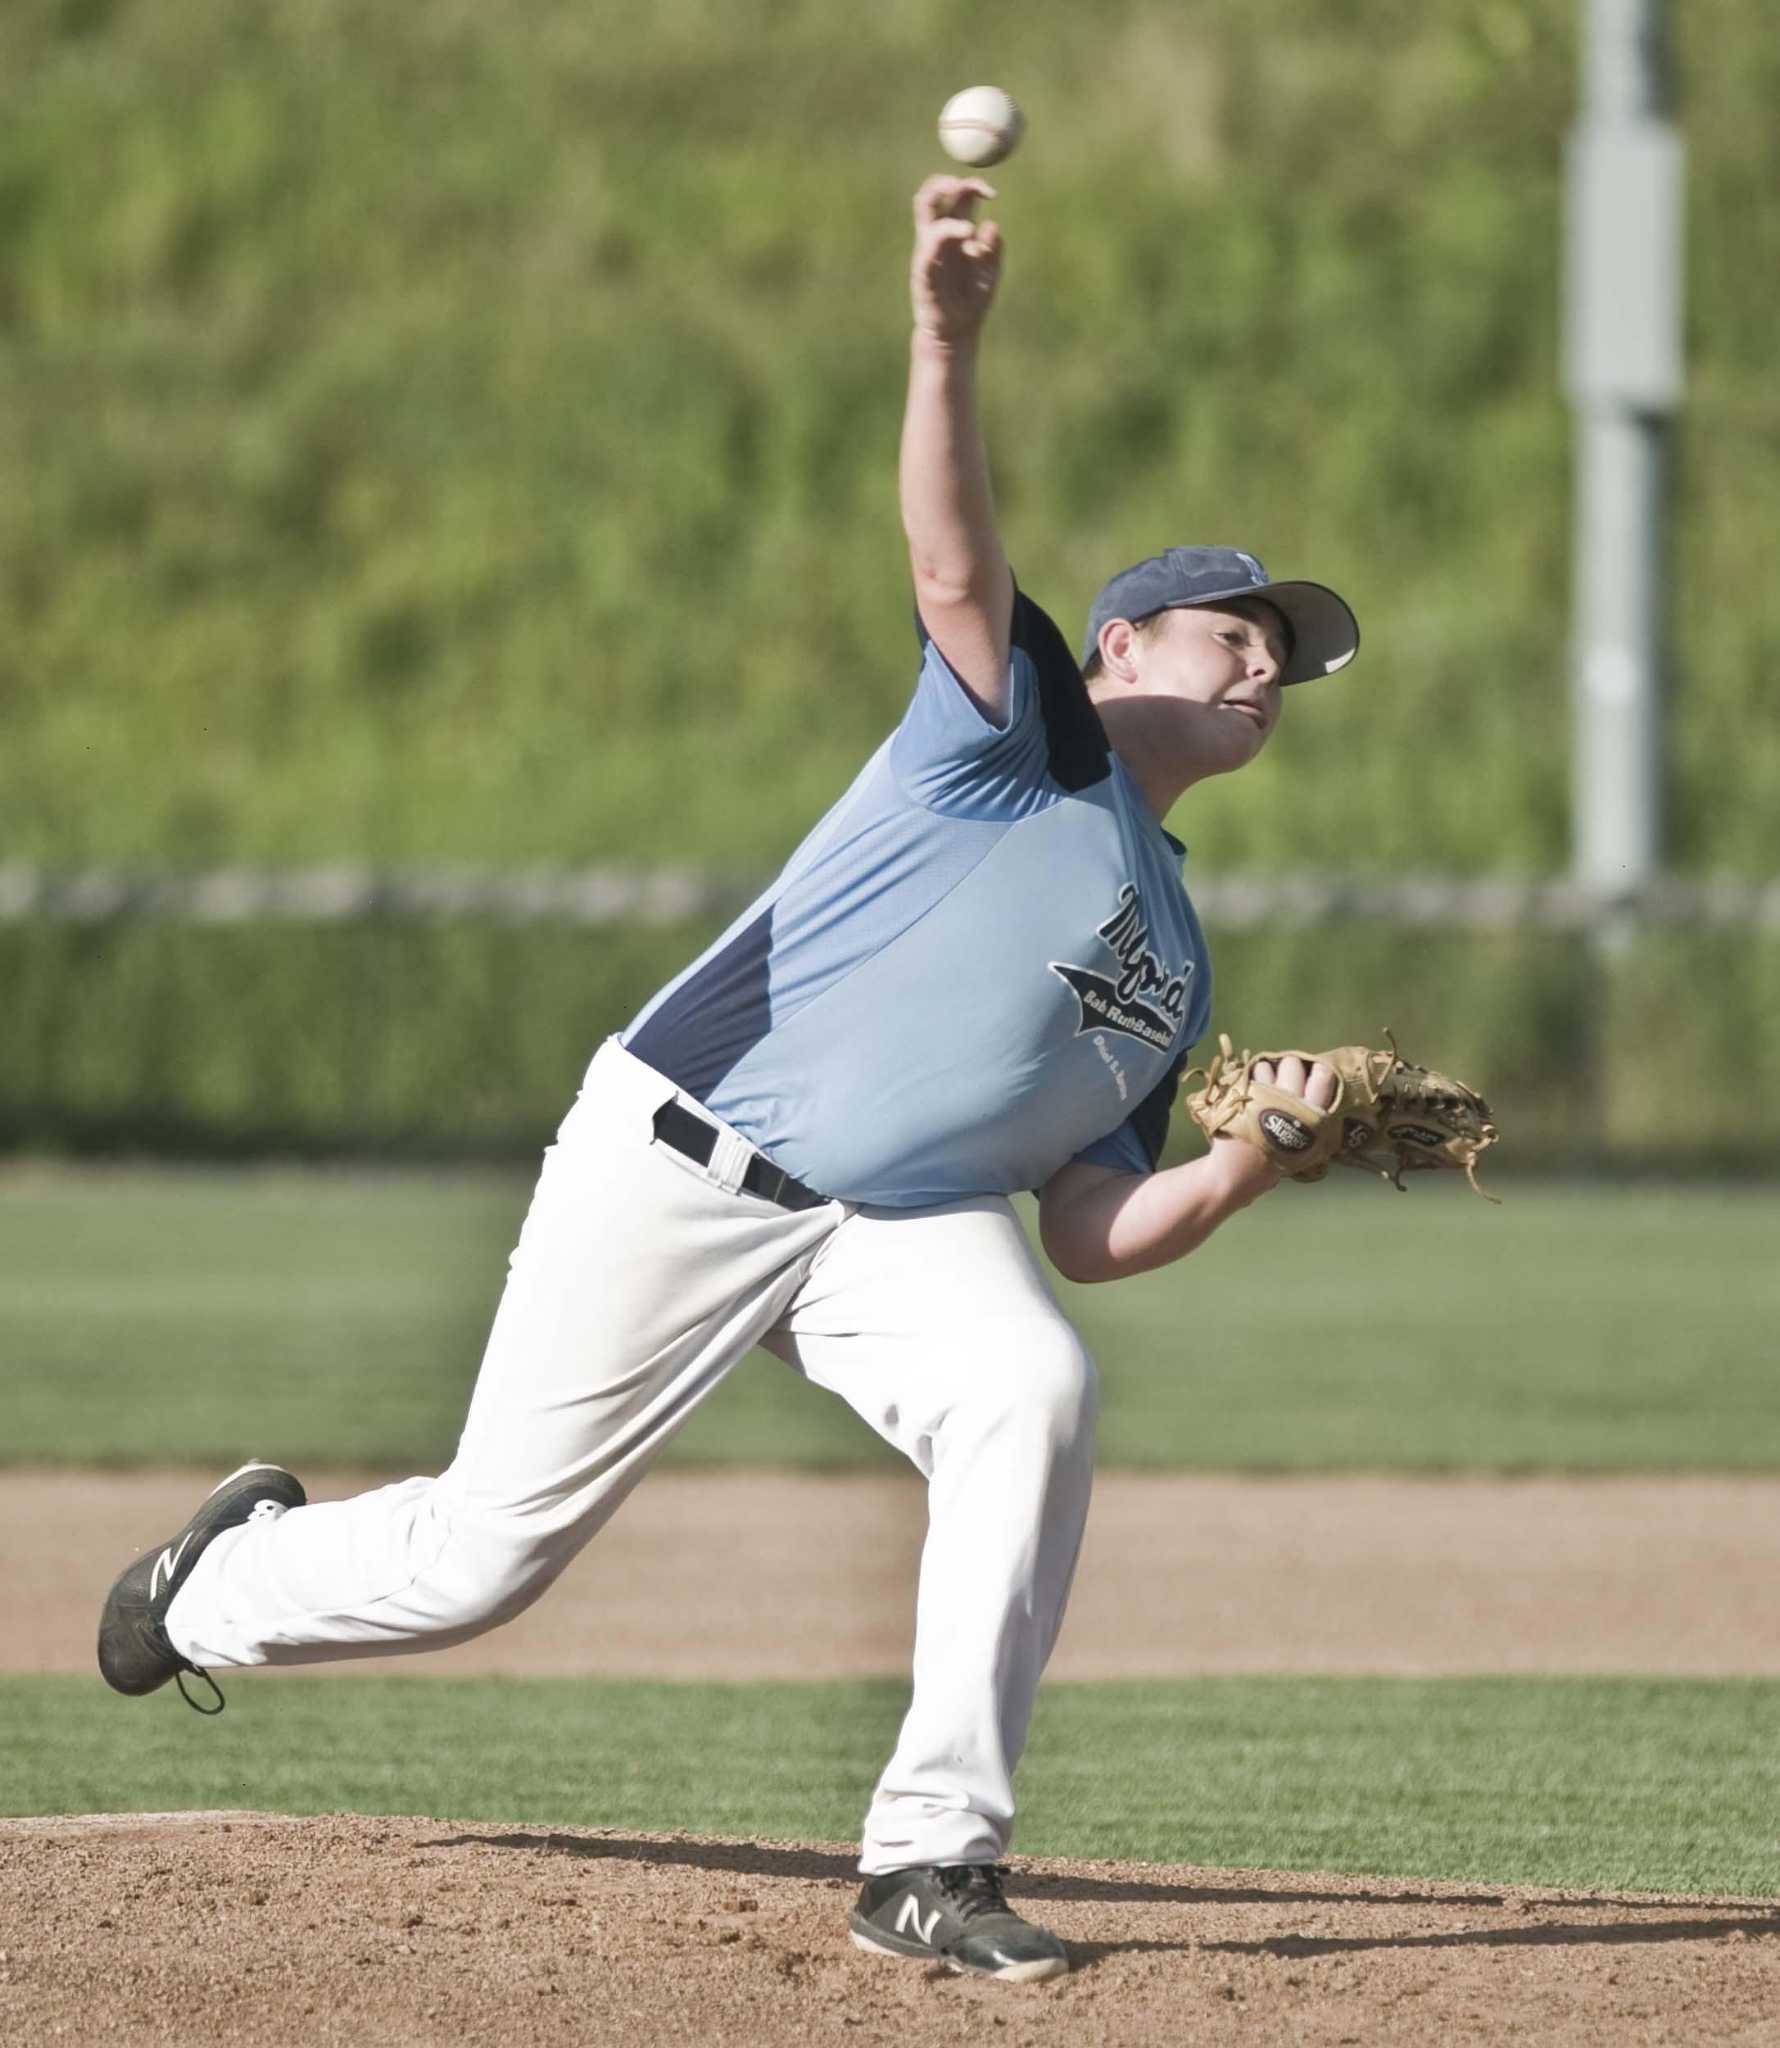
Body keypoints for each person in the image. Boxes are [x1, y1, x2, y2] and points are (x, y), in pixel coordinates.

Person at [98, 177, 1360, 1983]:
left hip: (896, 1229)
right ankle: (209, 1581)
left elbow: (1088, 1221)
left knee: (1033, 1383)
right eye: (1228, 625)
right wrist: (945, 337)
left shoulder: (1179, 962)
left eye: (1287, 653)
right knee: (482, 1563)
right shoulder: (1025, 740)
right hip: (694, 1153)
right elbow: (946, 559)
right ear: (1117, 651)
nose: (1265, 661)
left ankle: (930, 1859)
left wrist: (1246, 1158)